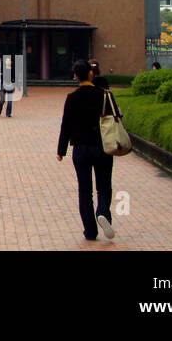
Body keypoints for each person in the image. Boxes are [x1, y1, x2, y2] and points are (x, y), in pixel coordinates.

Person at [57, 59, 122, 241]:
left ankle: (90, 231)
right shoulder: (104, 95)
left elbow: (66, 125)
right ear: (91, 73)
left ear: (76, 76)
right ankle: (103, 213)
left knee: (85, 190)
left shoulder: (72, 97)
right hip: (103, 146)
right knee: (104, 186)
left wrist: (61, 150)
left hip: (80, 149)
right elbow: (115, 116)